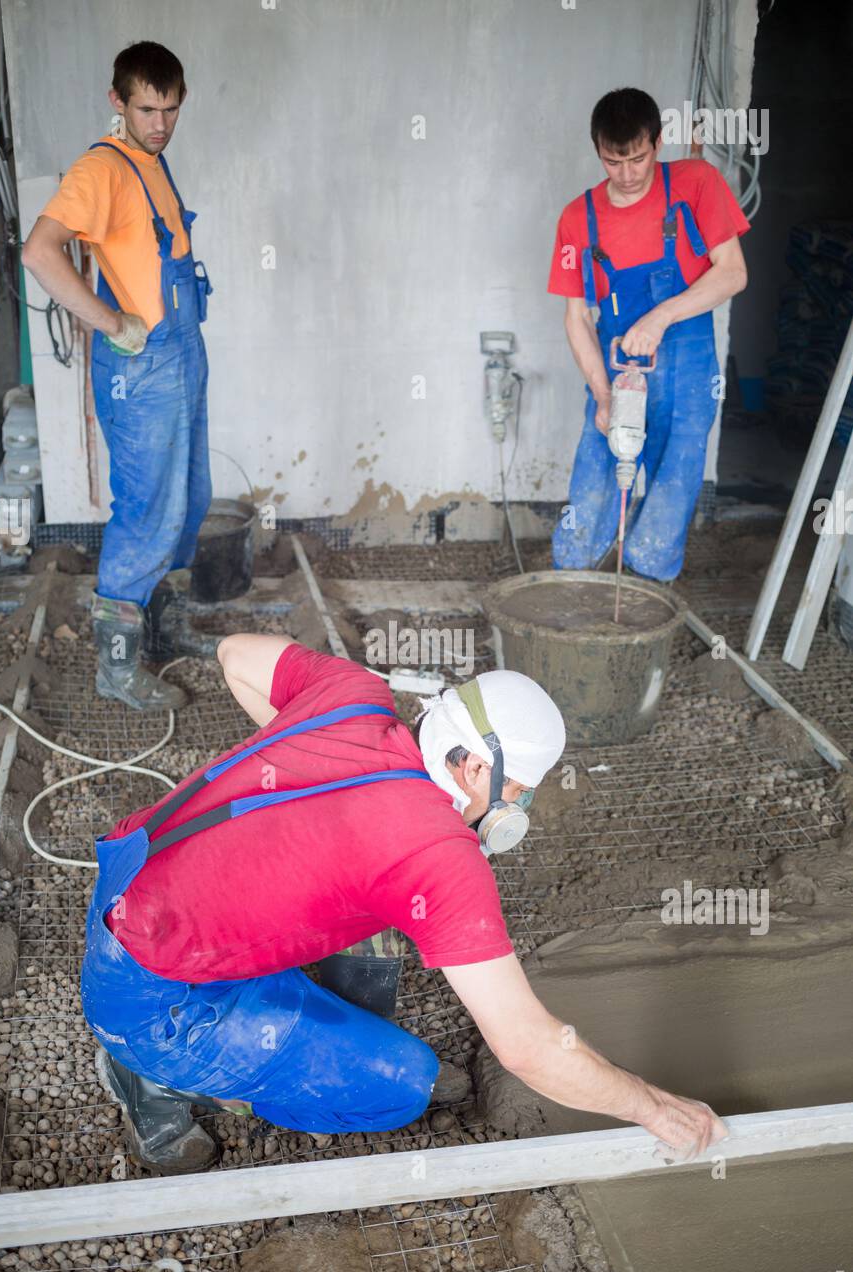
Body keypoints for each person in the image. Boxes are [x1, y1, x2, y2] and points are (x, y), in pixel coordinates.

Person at [80, 633, 727, 1174]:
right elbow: (528, 1047)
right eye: (521, 792)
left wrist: (306, 767)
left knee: (377, 926)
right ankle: (157, 1080)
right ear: (476, 770)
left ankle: (294, 1027)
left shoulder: (354, 693)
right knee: (402, 1087)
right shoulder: (438, 858)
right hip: (157, 1000)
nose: (518, 809)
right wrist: (651, 1106)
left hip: (131, 887)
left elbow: (233, 654)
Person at [21, 41, 215, 712]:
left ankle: (163, 628)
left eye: (169, 109)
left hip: (183, 356)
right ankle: (117, 669)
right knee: (145, 513)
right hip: (143, 369)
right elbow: (39, 252)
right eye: (145, 109)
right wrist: (107, 320)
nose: (159, 123)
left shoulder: (153, 163)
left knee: (189, 499)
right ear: (118, 103)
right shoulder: (103, 168)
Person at [548, 87, 750, 581]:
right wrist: (601, 396)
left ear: (657, 143)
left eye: (637, 158)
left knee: (670, 494)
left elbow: (732, 274)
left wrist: (659, 318)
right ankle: (569, 598)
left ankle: (642, 609)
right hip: (616, 378)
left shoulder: (696, 183)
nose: (628, 174)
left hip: (686, 378)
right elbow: (577, 317)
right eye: (613, 162)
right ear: (598, 150)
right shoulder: (579, 219)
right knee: (590, 495)